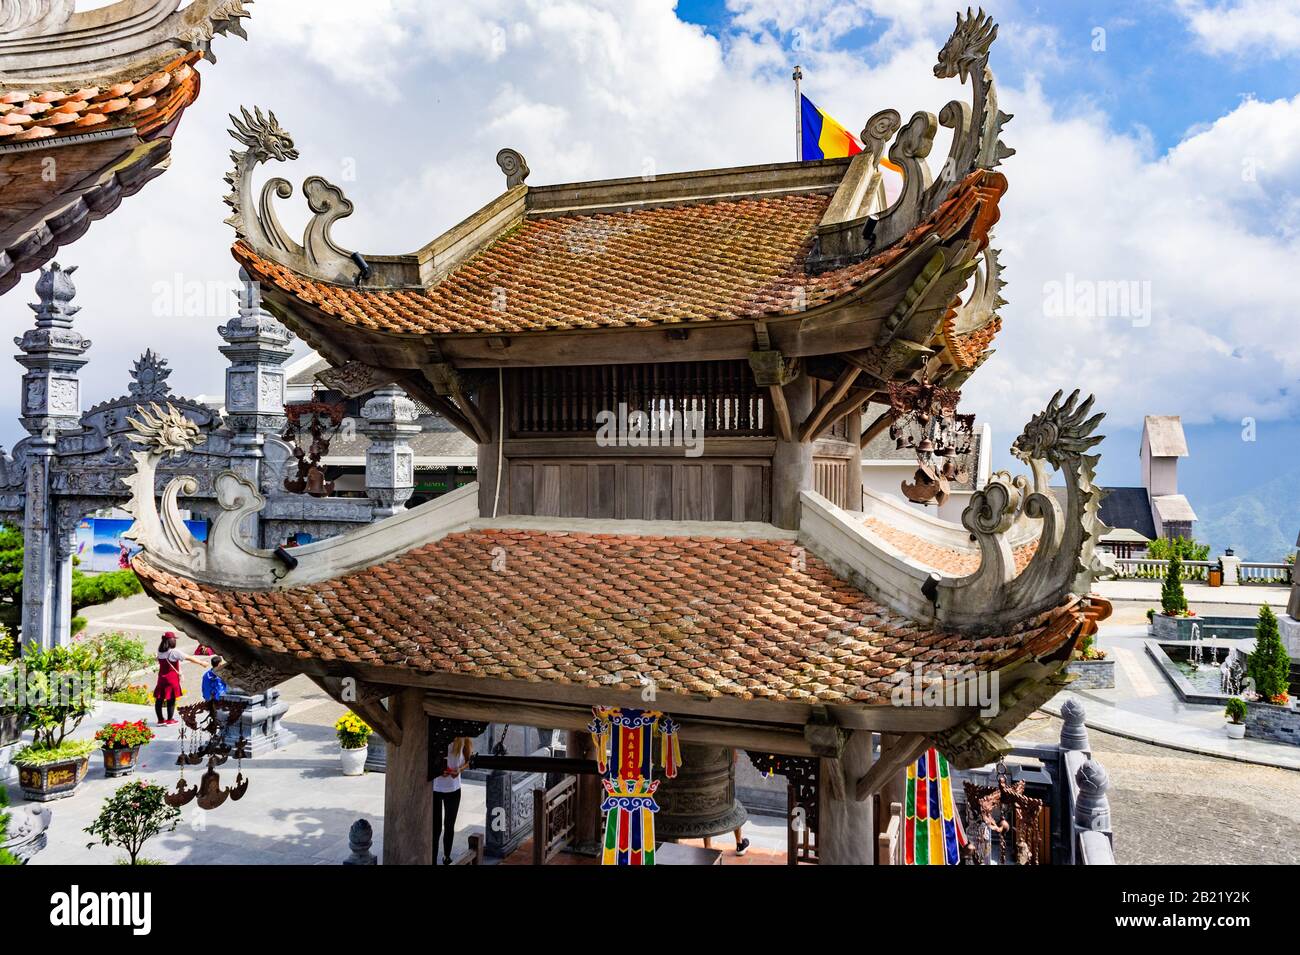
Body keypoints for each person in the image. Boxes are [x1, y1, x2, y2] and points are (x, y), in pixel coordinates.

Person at [432, 736, 473, 864]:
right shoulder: (437, 737)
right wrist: (438, 770)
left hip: (454, 789)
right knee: (435, 827)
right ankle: (432, 858)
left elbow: (469, 760)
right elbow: (427, 759)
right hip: (435, 788)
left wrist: (459, 770)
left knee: (449, 825)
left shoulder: (464, 739)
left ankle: (447, 856)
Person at [152, 632, 207, 725]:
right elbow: (189, 658)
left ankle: (160, 720)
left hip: (161, 678)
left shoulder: (160, 651)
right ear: (172, 641)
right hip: (171, 679)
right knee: (171, 699)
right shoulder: (174, 652)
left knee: (159, 699)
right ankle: (170, 719)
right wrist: (201, 663)